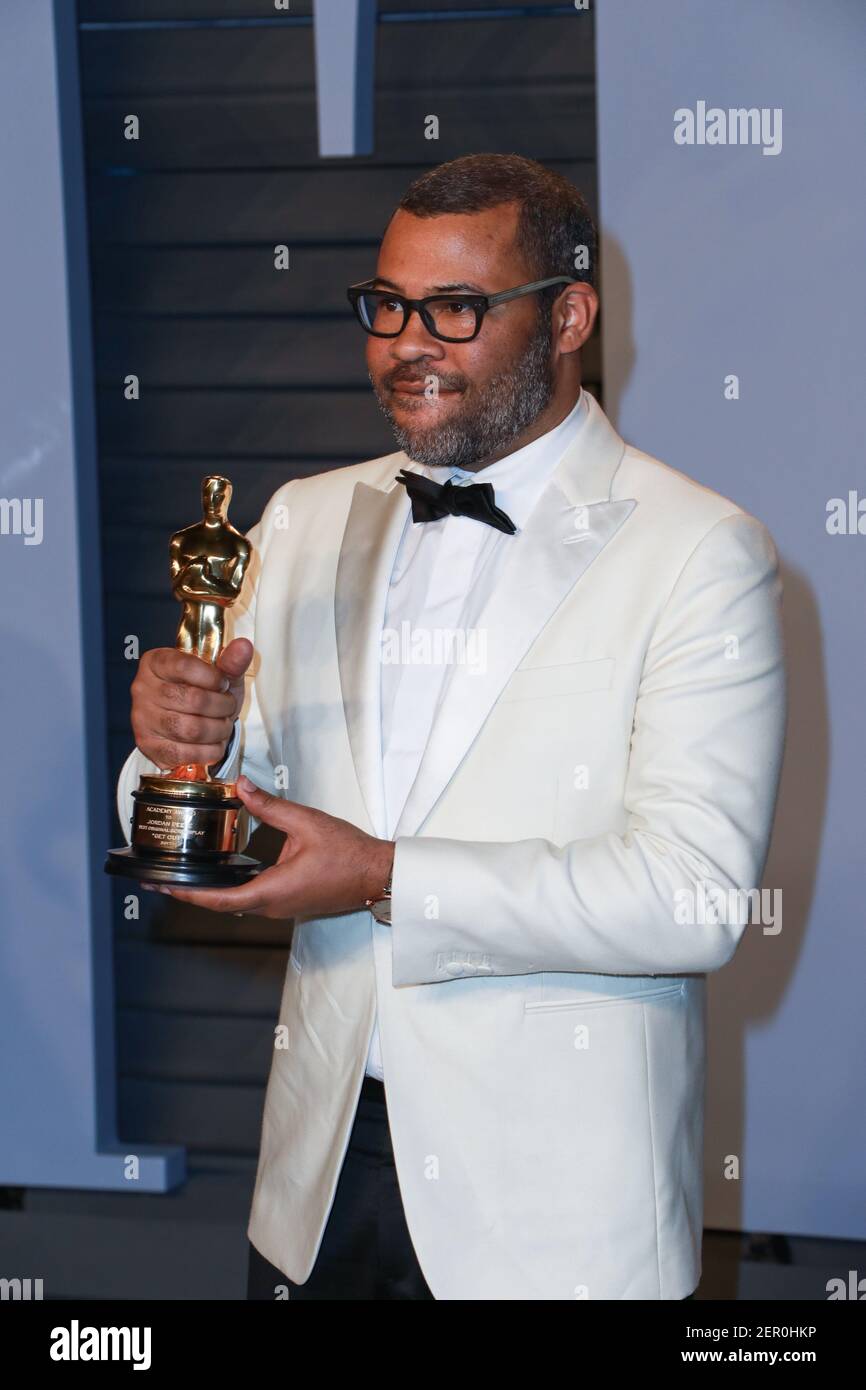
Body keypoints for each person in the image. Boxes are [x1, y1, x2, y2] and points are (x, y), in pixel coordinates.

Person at [116, 153, 786, 1300]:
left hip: (555, 1225)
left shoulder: (695, 551)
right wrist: (186, 749)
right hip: (316, 1190)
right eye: (385, 305)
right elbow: (201, 818)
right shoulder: (306, 516)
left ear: (567, 314)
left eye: (455, 309)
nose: (405, 343)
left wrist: (383, 875)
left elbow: (692, 895)